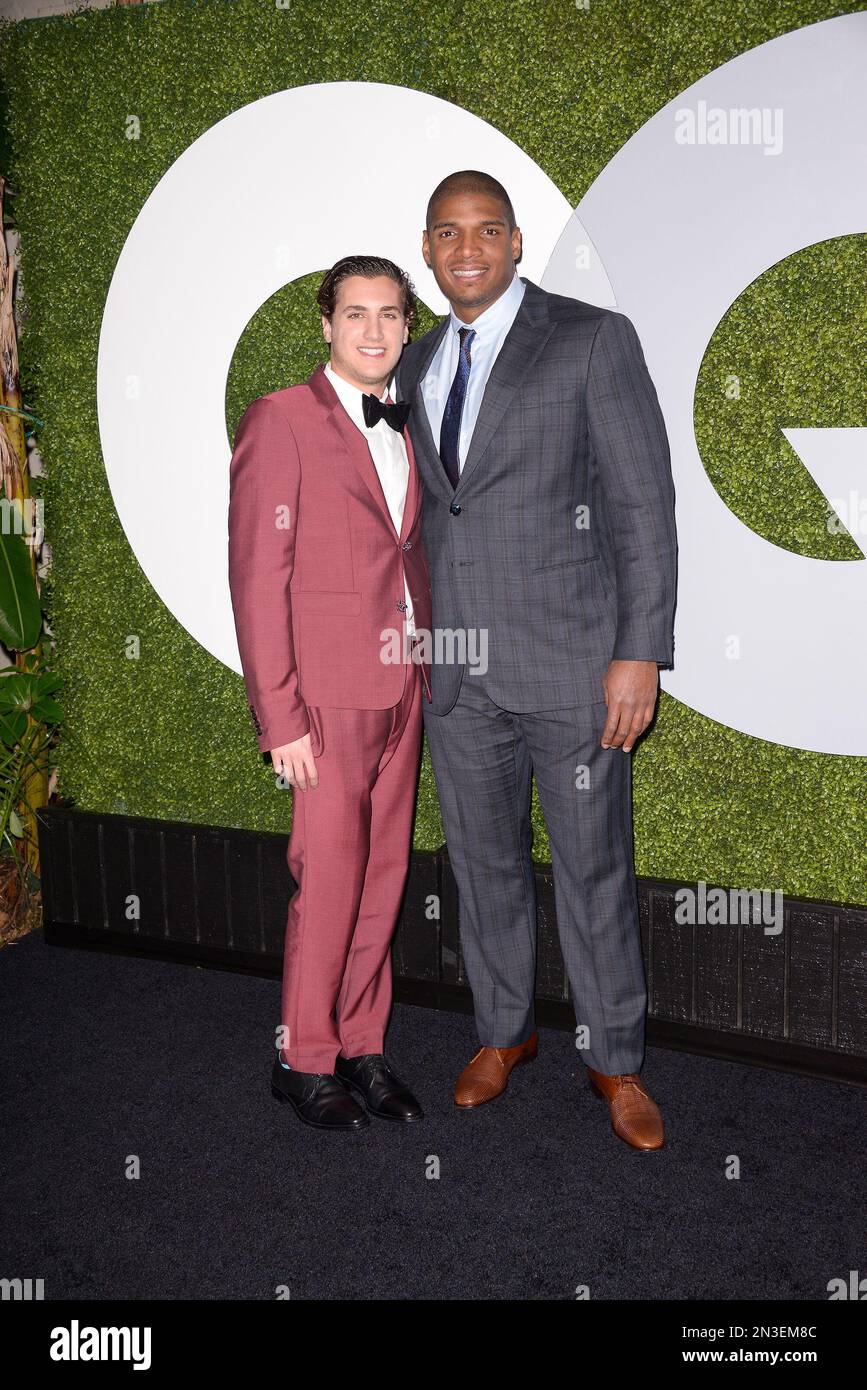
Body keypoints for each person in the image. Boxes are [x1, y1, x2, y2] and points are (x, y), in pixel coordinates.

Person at [394, 171, 678, 1150]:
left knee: (593, 868)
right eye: (446, 232)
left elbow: (643, 506)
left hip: (572, 664)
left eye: (485, 230)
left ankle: (616, 1061)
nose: (466, 247)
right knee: (483, 863)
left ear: (515, 243)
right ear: (428, 252)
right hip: (456, 673)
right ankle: (502, 1034)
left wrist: (640, 648)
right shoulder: (417, 358)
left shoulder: (592, 338)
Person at [228, 255, 432, 1131]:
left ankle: (361, 1043)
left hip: (404, 684)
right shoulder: (281, 419)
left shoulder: (406, 421)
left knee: (383, 875)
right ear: (325, 324)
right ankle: (300, 1057)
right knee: (330, 879)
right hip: (325, 700)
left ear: (406, 326)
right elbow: (255, 577)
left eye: (389, 315)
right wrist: (280, 716)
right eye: (356, 314)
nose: (374, 331)